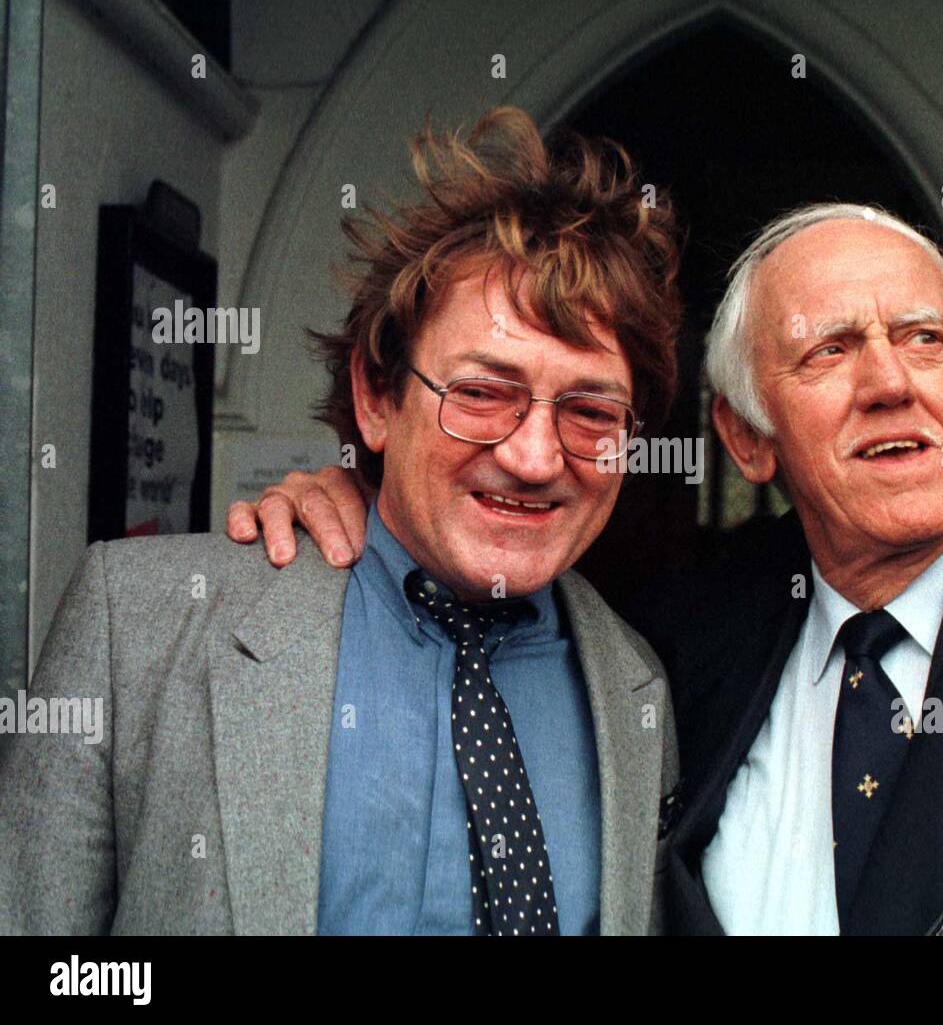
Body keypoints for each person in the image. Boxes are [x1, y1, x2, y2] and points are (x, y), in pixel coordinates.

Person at [225, 203, 943, 936]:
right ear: (745, 438)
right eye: (828, 349)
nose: (889, 381)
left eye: (924, 340)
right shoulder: (664, 649)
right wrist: (364, 508)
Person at [0, 107, 681, 936]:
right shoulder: (137, 626)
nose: (536, 457)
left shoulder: (636, 688)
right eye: (481, 393)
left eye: (590, 410)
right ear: (375, 394)